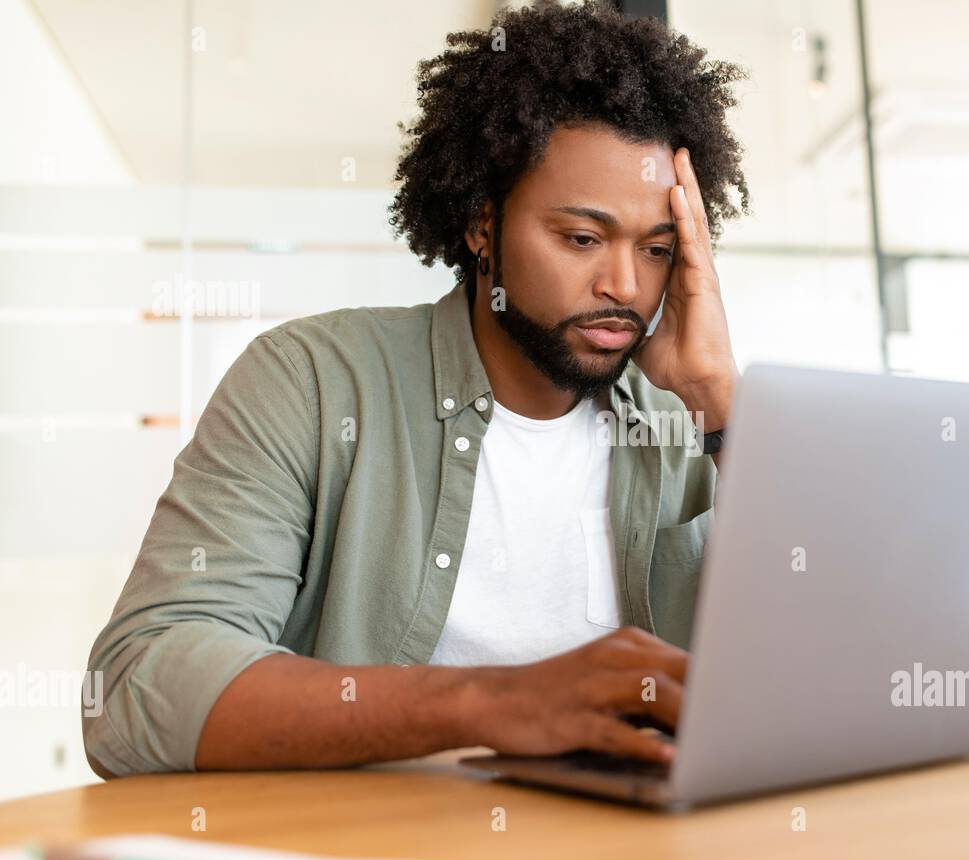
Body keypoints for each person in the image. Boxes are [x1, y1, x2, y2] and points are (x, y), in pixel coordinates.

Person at [83, 0, 751, 778]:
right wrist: (491, 701)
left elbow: (828, 668)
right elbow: (136, 689)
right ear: (480, 223)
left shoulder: (689, 425)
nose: (624, 284)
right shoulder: (310, 381)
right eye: (581, 238)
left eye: (658, 249)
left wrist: (722, 404)